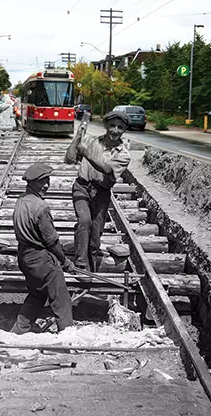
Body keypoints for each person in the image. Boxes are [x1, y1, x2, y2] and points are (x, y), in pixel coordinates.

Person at [10, 163, 75, 334]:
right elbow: (52, 242)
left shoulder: (20, 201)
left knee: (37, 294)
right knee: (61, 299)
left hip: (24, 257)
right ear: (31, 183)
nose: (46, 185)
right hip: (41, 261)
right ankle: (68, 337)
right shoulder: (41, 207)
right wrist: (65, 261)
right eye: (41, 182)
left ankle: (19, 330)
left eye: (47, 180)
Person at [64, 111, 131, 274]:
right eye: (112, 126)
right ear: (106, 126)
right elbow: (68, 158)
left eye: (120, 127)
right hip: (82, 187)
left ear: (124, 130)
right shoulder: (91, 141)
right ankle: (80, 264)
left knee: (95, 235)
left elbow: (107, 168)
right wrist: (78, 137)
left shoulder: (123, 154)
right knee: (84, 221)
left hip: (101, 192)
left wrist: (86, 152)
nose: (115, 130)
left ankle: (91, 268)